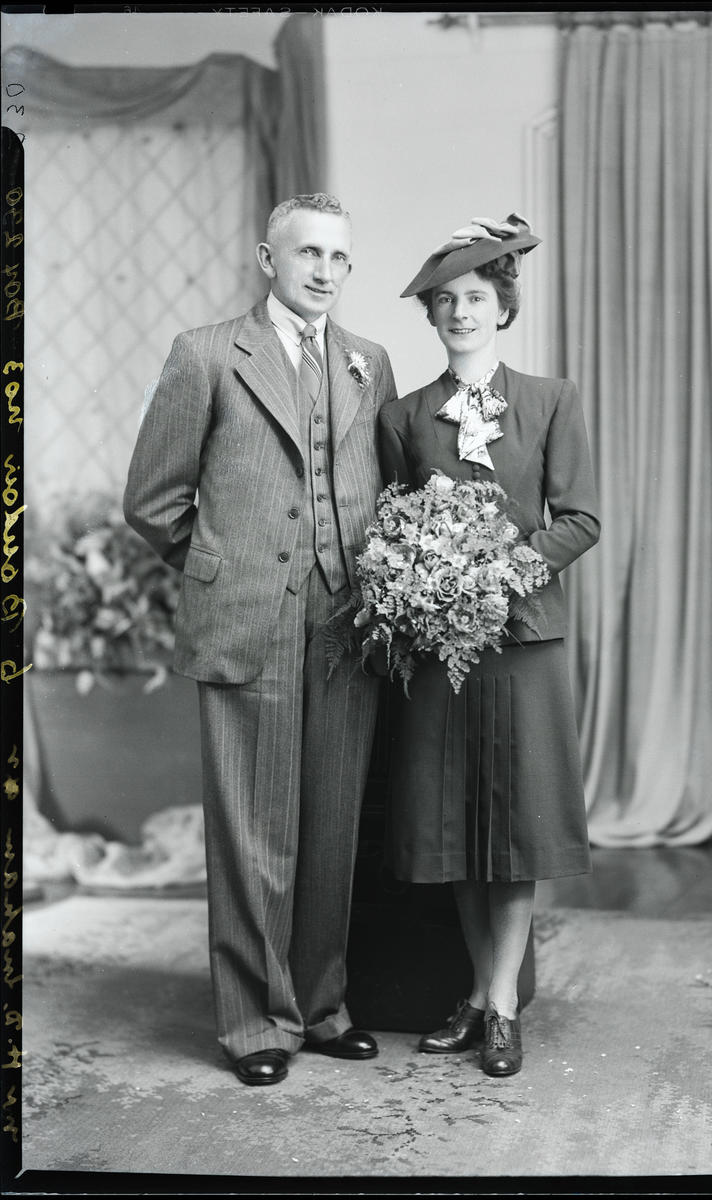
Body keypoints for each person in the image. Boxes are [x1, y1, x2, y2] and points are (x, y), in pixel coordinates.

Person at [124, 193, 397, 1086]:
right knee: (252, 832)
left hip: (345, 624)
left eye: (339, 257)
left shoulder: (369, 362)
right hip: (249, 616)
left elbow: (379, 491)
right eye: (308, 253)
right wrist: (221, 567)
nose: (325, 270)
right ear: (266, 258)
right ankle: (254, 1026)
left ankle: (319, 1009)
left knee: (330, 827)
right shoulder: (206, 354)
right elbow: (154, 500)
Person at [377, 214, 600, 1077]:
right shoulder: (405, 417)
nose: (460, 313)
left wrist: (504, 567)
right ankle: (479, 993)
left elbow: (579, 520)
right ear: (431, 318)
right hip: (442, 651)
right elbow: (395, 521)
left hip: (523, 643)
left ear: (501, 306)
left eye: (474, 297)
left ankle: (501, 1003)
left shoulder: (549, 400)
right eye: (445, 302)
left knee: (515, 823)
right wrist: (420, 575)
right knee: (460, 826)